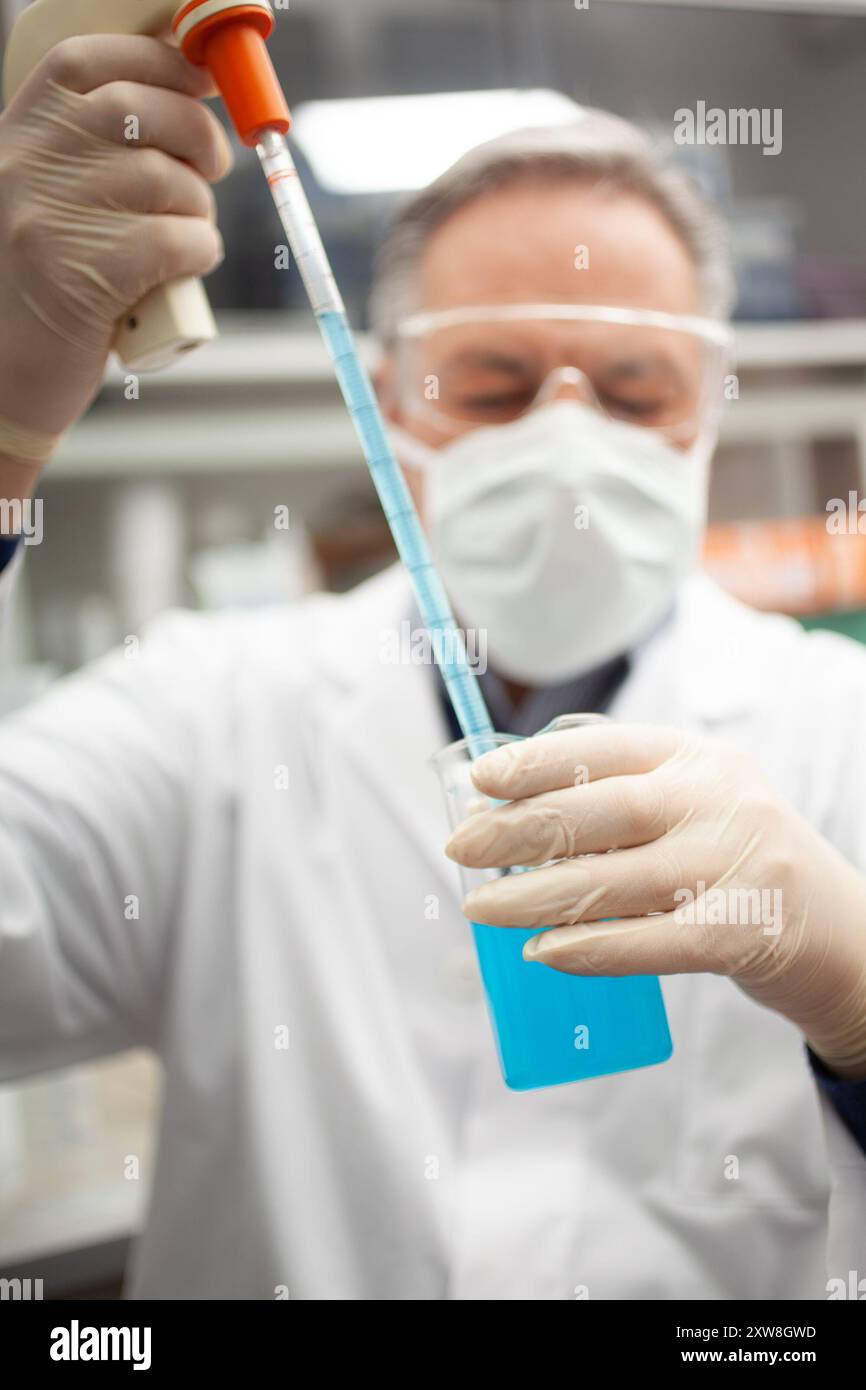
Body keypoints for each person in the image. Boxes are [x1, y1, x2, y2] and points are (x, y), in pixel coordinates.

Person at [1, 35, 865, 1301]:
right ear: (390, 401)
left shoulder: (837, 729)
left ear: (707, 412)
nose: (567, 435)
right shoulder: (203, 712)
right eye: (496, 384)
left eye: (632, 389)